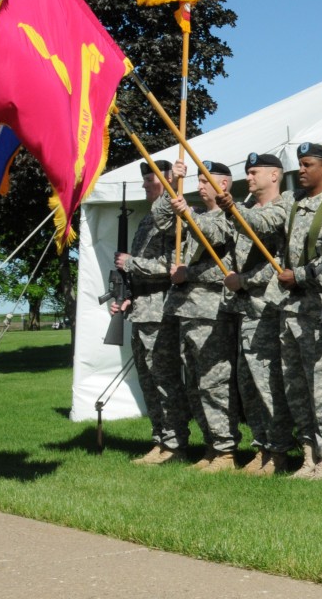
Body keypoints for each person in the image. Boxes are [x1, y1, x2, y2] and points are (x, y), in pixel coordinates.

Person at [233, 143, 322, 480]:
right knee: (295, 387)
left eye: (307, 164)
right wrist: (232, 208)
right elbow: (264, 219)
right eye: (299, 164)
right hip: (290, 309)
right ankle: (309, 454)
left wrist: (298, 275)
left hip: (318, 307)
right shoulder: (292, 202)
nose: (300, 170)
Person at [153, 159, 240, 473]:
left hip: (211, 309)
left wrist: (188, 270)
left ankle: (226, 449)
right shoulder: (195, 215)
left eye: (206, 181)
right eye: (198, 181)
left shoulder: (232, 214)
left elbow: (214, 237)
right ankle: (211, 446)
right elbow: (161, 220)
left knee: (213, 381)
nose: (200, 186)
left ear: (224, 185)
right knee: (194, 382)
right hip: (186, 308)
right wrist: (170, 186)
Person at [219, 152, 295, 476]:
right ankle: (261, 446)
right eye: (247, 173)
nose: (248, 178)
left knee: (267, 382)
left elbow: (277, 261)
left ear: (274, 175)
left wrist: (244, 280)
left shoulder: (284, 207)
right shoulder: (246, 210)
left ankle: (277, 451)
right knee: (247, 383)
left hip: (266, 305)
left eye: (254, 172)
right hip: (244, 307)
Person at [113, 160, 188, 465]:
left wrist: (130, 264)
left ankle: (175, 443)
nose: (144, 185)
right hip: (142, 310)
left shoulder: (173, 218)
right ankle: (159, 439)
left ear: (165, 182)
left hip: (160, 311)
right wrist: (126, 295)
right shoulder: (147, 219)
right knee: (148, 380)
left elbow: (171, 267)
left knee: (165, 380)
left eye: (149, 180)